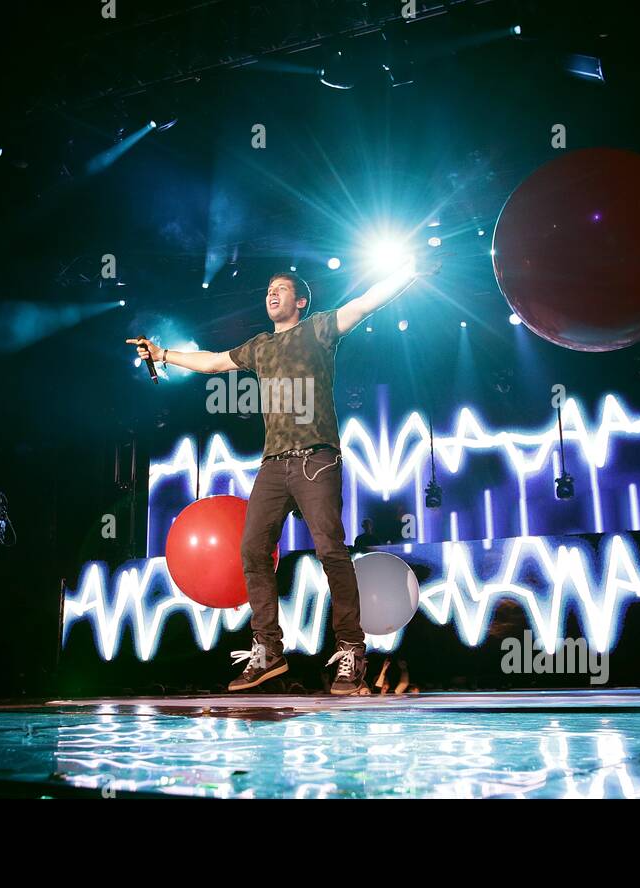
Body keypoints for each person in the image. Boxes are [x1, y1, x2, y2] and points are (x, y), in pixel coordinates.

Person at [128, 259, 429, 694]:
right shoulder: (259, 346)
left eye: (282, 289)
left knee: (329, 550)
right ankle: (268, 651)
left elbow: (365, 303)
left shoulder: (319, 329)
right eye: (269, 289)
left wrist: (408, 272)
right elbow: (213, 363)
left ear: (300, 301)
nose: (272, 294)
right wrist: (163, 355)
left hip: (316, 460)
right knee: (252, 549)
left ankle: (350, 651)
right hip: (273, 464)